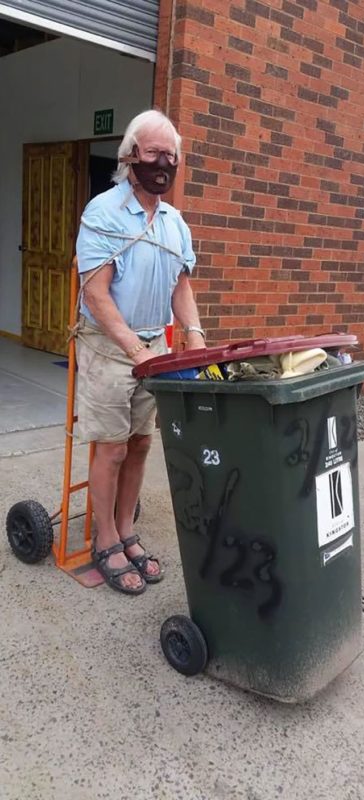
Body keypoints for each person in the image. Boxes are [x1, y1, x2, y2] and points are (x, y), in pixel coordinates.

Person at [75, 109, 205, 595]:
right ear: (130, 156)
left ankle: (126, 527)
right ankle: (104, 537)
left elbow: (181, 287)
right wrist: (134, 349)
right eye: (153, 154)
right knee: (110, 448)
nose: (163, 164)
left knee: (141, 443)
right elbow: (96, 294)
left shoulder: (175, 223)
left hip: (154, 346)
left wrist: (193, 335)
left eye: (171, 156)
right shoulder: (103, 213)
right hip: (109, 348)